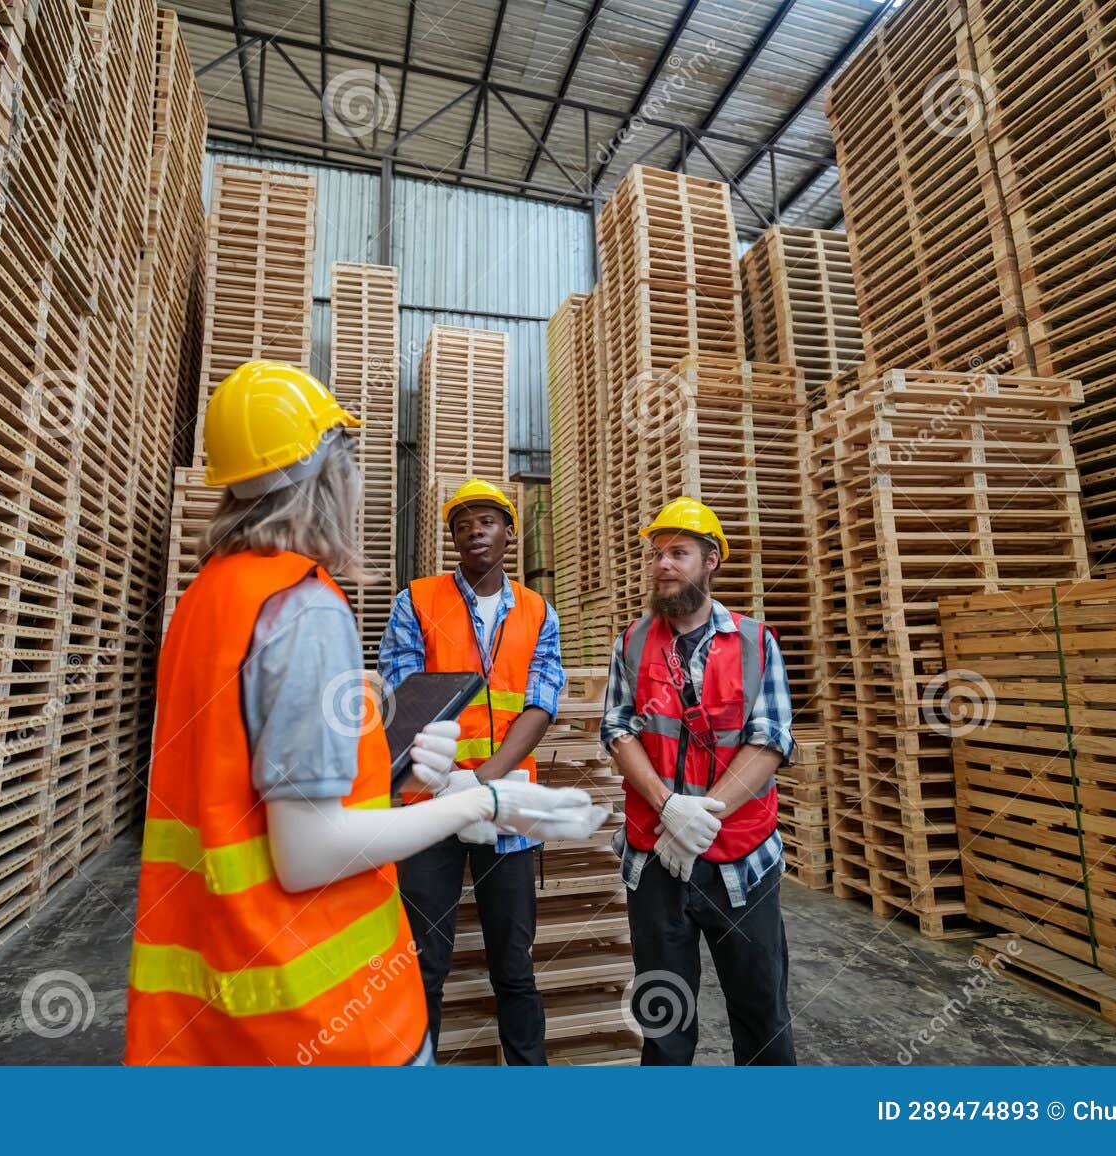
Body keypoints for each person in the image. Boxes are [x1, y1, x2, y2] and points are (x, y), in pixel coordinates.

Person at [124, 362, 604, 1066]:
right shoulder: (301, 604)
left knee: (515, 965)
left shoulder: (207, 600)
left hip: (215, 1010)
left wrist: (424, 775)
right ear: (325, 473)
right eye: (348, 459)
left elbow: (255, 778)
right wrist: (480, 801)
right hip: (317, 1008)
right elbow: (308, 849)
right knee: (433, 958)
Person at [601, 496, 798, 1066]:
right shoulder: (632, 644)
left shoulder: (755, 642)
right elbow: (618, 730)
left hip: (740, 863)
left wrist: (702, 815)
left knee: (761, 1016)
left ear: (710, 561)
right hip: (657, 861)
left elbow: (771, 741)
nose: (663, 564)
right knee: (664, 1025)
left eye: (679, 553)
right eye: (658, 554)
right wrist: (668, 810)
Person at [379, 478, 565, 1064]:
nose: (473, 531)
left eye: (486, 520)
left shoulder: (537, 610)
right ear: (452, 538)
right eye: (462, 524)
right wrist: (444, 782)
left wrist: (481, 782)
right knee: (424, 963)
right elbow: (401, 697)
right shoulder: (417, 600)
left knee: (513, 964)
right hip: (428, 809)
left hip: (504, 806)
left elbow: (541, 700)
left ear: (510, 532)